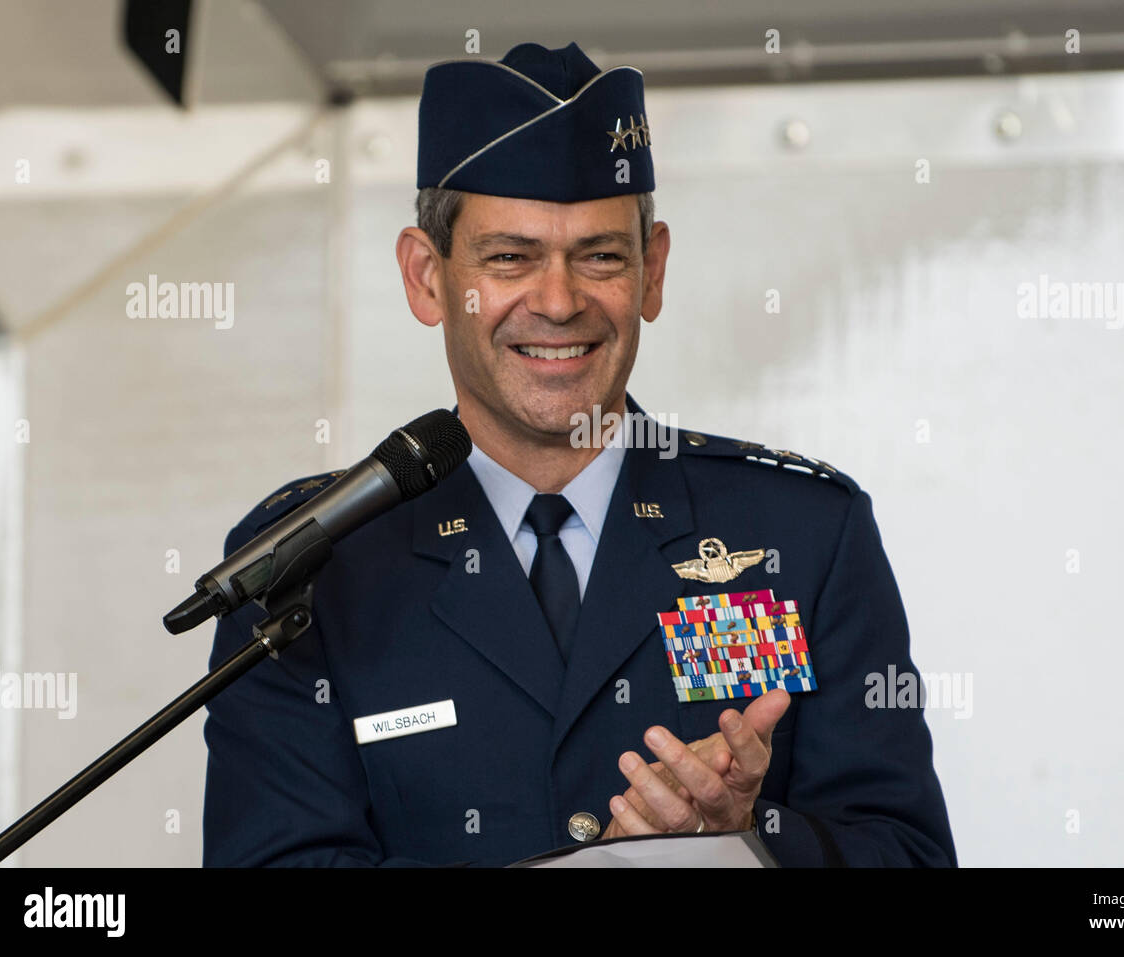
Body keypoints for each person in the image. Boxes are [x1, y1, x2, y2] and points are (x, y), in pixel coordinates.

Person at [202, 40, 956, 867]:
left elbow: (907, 851)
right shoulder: (310, 566)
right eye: (510, 257)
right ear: (427, 277)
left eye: (599, 256)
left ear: (652, 271)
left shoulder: (805, 533)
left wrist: (751, 840)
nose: (559, 302)